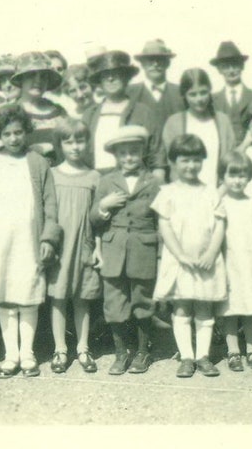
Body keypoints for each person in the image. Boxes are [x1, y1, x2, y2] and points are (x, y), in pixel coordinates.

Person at [0, 105, 62, 378]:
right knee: (5, 297)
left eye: (18, 132)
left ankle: (28, 354)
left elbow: (50, 203)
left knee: (28, 294)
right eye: (7, 133)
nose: (13, 138)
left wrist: (48, 237)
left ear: (26, 133)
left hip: (28, 240)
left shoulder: (37, 161)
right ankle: (10, 355)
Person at [152, 134, 227, 378]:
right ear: (173, 161)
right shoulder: (168, 192)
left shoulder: (211, 192)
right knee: (182, 307)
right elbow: (165, 227)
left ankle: (203, 355)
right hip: (181, 260)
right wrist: (181, 255)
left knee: (204, 308)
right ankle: (186, 356)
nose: (191, 165)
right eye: (185, 160)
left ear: (203, 161)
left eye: (196, 160)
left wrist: (212, 252)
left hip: (206, 260)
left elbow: (220, 225)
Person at [91, 125, 162, 376]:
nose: (129, 157)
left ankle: (143, 351)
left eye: (134, 152)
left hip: (144, 248)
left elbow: (161, 220)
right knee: (115, 302)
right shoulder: (106, 181)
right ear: (116, 156)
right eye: (123, 153)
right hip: (113, 250)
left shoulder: (153, 182)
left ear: (142, 151)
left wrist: (161, 254)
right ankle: (122, 353)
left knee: (143, 300)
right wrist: (103, 206)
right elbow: (94, 219)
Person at [46, 117, 103, 374]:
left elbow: (98, 217)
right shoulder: (52, 175)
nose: (75, 147)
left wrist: (98, 247)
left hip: (84, 243)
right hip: (60, 245)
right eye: (68, 142)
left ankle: (83, 347)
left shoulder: (94, 177)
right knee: (58, 297)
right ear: (59, 145)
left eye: (79, 140)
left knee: (83, 296)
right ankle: (60, 349)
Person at [215, 150, 252, 373]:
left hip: (251, 264)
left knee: (251, 309)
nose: (237, 180)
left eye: (242, 175)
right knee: (230, 309)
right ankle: (233, 352)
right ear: (223, 177)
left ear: (249, 177)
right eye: (232, 175)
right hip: (229, 265)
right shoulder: (220, 204)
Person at [83, 49, 166, 178]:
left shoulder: (143, 112)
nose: (110, 78)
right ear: (100, 80)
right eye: (105, 75)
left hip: (134, 181)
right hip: (97, 181)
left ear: (126, 77)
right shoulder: (89, 115)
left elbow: (157, 157)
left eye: (116, 73)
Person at [0, 51, 67, 161]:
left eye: (43, 76)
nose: (38, 81)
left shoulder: (59, 113)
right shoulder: (7, 112)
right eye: (32, 75)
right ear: (21, 79)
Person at [162, 68, 238, 186]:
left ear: (210, 91)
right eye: (193, 94)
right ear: (184, 95)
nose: (199, 99)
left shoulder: (223, 121)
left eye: (203, 92)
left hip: (218, 192)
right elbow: (172, 163)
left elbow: (230, 158)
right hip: (185, 194)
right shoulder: (174, 123)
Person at [209, 41, 252, 145]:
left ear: (242, 66)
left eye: (235, 65)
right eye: (226, 67)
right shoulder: (212, 100)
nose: (231, 70)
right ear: (219, 70)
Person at [127, 39, 185, 126]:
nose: (155, 64)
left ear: (167, 63)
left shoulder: (180, 93)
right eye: (150, 60)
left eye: (160, 59)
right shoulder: (130, 93)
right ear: (142, 64)